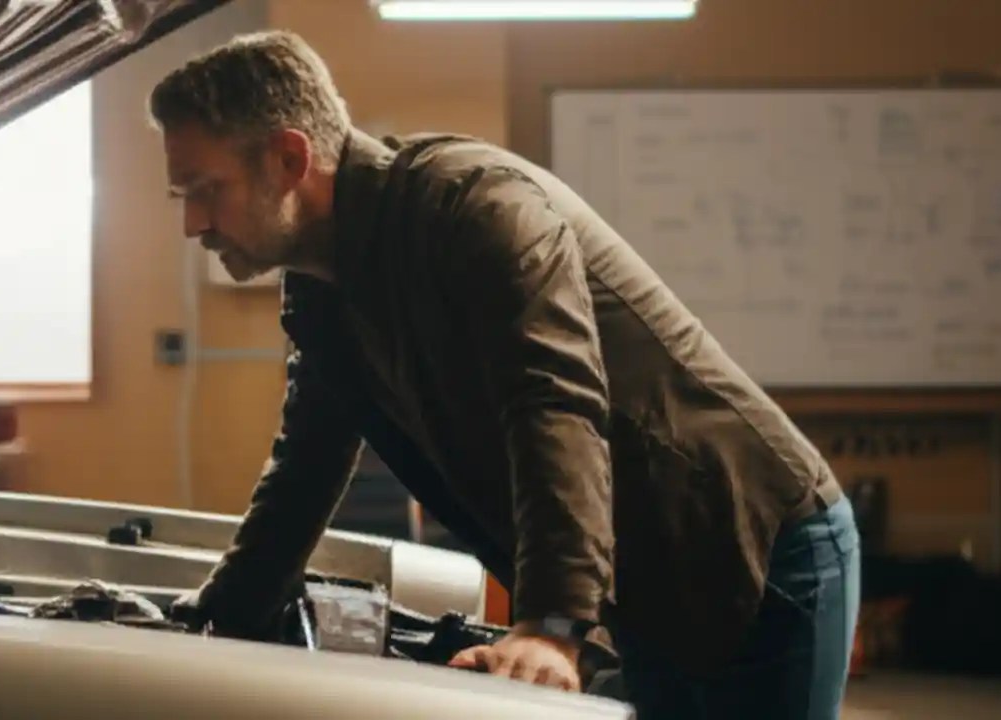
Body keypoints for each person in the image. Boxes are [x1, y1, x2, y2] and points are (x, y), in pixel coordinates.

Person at [148, 30, 861, 719]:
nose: (193, 224)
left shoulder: (475, 208)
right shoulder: (321, 290)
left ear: (288, 159)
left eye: (206, 189)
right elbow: (306, 465)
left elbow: (553, 402)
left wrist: (551, 624)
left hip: (747, 543)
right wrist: (220, 613)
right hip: (646, 568)